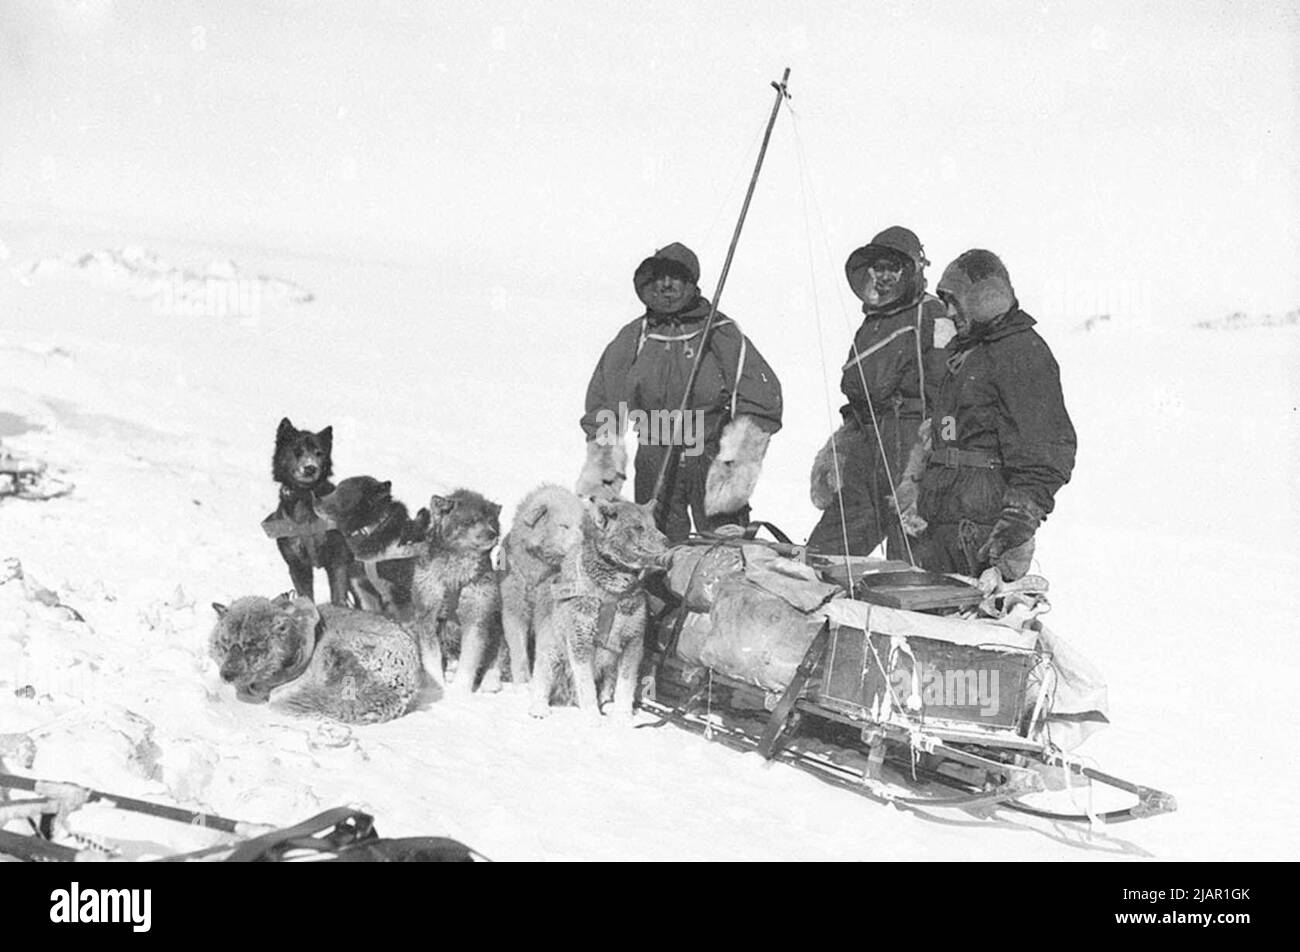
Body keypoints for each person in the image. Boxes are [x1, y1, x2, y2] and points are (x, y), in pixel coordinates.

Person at [577, 242, 783, 543]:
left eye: (676, 277)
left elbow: (760, 397)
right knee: (654, 546)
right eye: (659, 277)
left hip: (707, 452)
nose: (666, 284)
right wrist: (604, 468)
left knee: (720, 546)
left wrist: (736, 465)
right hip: (654, 453)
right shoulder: (635, 335)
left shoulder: (719, 331)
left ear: (690, 283)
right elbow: (607, 402)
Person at [899, 249, 1077, 581]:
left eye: (955, 301)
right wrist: (929, 465)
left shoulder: (1021, 353)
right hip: (943, 521)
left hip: (982, 531)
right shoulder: (967, 354)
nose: (949, 312)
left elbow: (1044, 447)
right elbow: (950, 422)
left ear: (985, 298)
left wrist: (1019, 519)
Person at [807, 226, 952, 559]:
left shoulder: (934, 314)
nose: (885, 277)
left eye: (894, 268)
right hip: (866, 445)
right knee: (825, 555)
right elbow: (857, 394)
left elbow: (949, 395)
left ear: (913, 269)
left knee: (909, 561)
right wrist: (840, 446)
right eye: (879, 268)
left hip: (912, 445)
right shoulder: (871, 324)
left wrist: (943, 448)